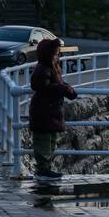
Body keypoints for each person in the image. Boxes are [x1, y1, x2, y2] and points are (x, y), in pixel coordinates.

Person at [28, 37, 77, 180]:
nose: (58, 56)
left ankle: (46, 169)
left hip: (50, 112)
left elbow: (56, 84)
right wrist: (62, 88)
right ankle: (43, 170)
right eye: (55, 54)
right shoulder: (43, 68)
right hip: (44, 112)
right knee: (43, 142)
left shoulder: (51, 68)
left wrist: (66, 89)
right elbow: (40, 86)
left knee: (50, 142)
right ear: (48, 54)